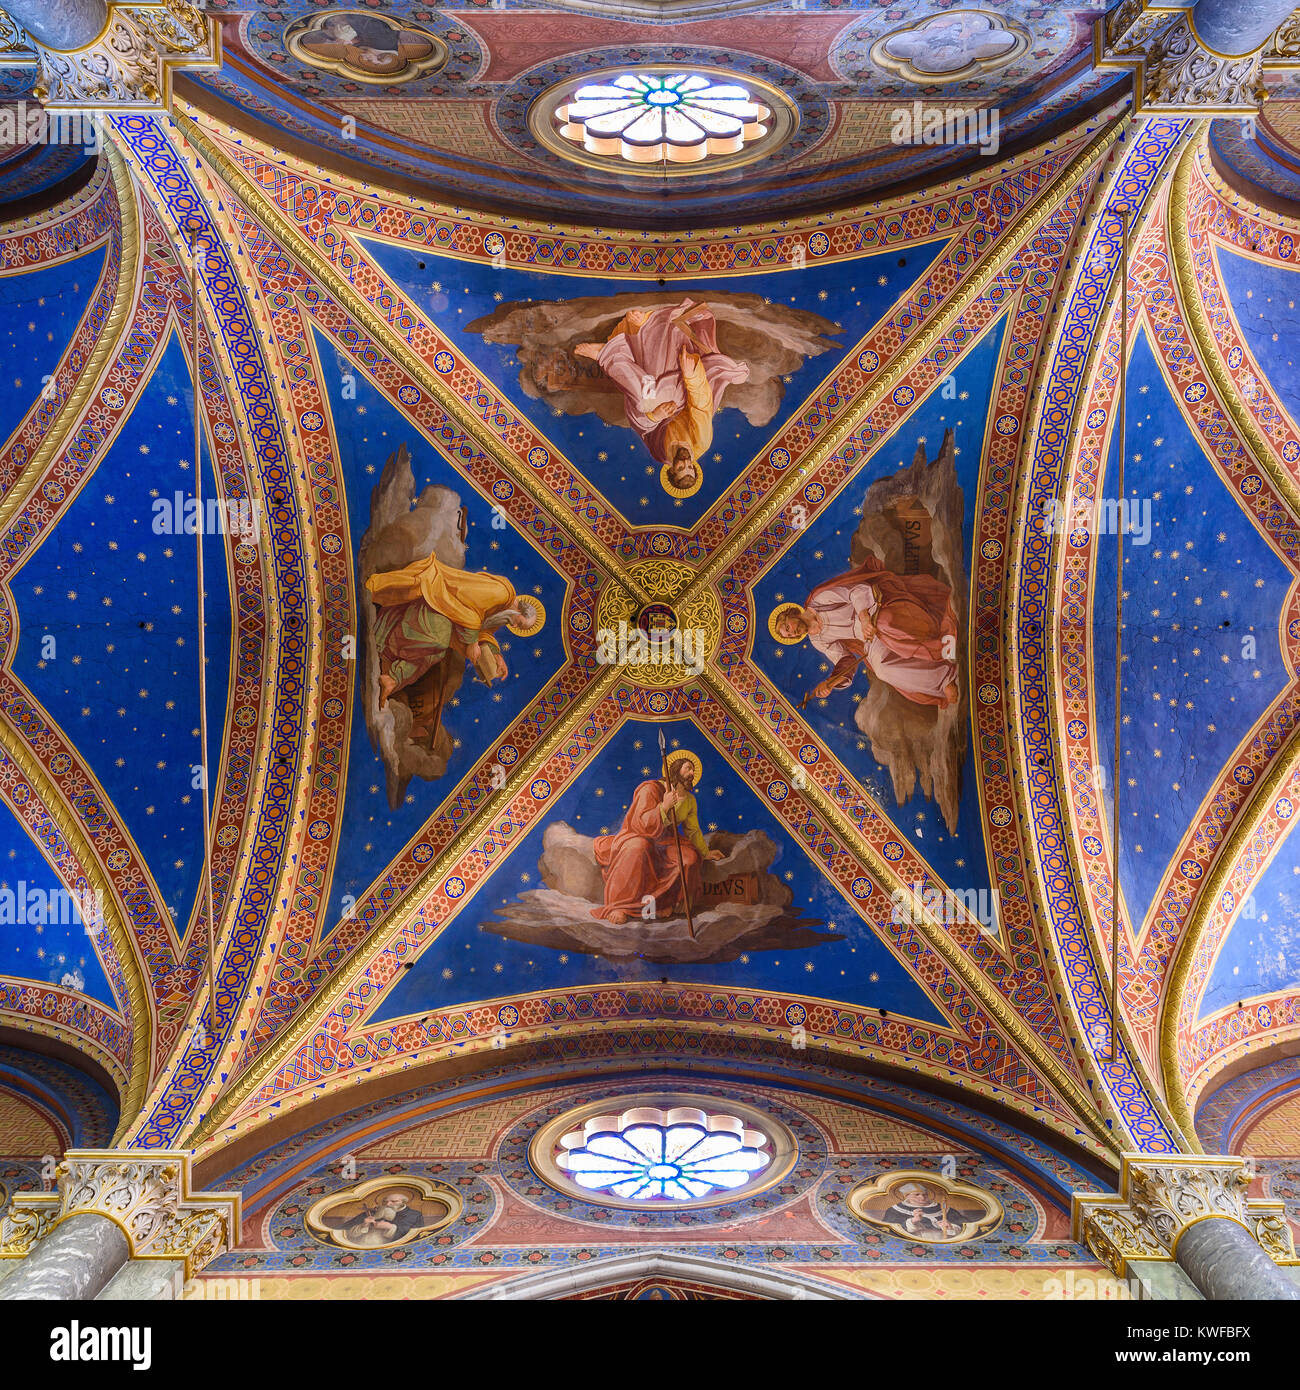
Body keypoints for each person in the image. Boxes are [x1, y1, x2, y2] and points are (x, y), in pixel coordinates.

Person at [365, 553, 538, 747]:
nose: (513, 626)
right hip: (436, 597)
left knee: (436, 652)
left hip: (444, 615)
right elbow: (465, 598)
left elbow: (484, 631)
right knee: (438, 636)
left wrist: (495, 655)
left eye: (518, 628)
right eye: (519, 624)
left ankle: (392, 678)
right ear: (520, 611)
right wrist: (471, 641)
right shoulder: (502, 593)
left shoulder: (503, 613)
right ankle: (388, 644)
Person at [574, 300, 748, 487]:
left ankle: (608, 355)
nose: (686, 463)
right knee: (659, 389)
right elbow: (701, 406)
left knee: (644, 399)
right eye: (691, 467)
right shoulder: (701, 442)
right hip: (684, 392)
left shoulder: (660, 453)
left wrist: (655, 416)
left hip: (652, 401)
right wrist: (691, 376)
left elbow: (643, 428)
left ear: (671, 471)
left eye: (681, 468)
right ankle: (647, 326)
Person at [773, 552, 959, 708]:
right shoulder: (817, 640)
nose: (793, 633)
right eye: (789, 635)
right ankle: (944, 678)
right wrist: (831, 682)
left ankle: (941, 648)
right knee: (882, 669)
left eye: (788, 627)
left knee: (887, 626)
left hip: (875, 609)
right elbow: (844, 659)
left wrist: (863, 618)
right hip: (869, 639)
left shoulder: (819, 600)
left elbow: (857, 590)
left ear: (791, 614)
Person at [592, 756, 723, 924]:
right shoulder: (651, 789)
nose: (692, 773)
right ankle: (620, 905)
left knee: (690, 858)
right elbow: (640, 823)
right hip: (639, 835)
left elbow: (693, 830)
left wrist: (705, 852)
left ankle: (664, 904)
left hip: (666, 841)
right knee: (639, 848)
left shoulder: (689, 800)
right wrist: (664, 806)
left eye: (693, 770)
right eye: (688, 768)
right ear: (676, 769)